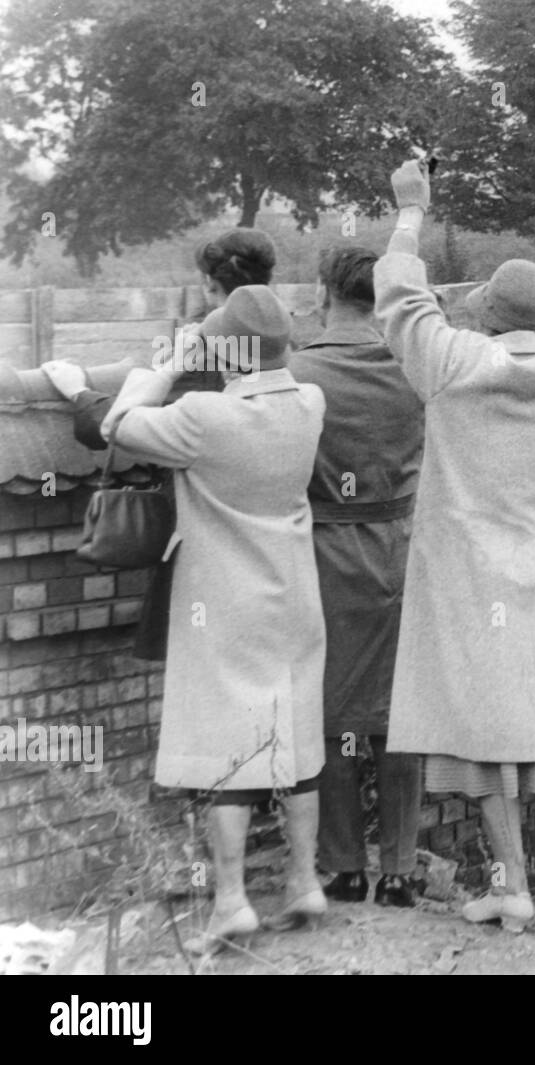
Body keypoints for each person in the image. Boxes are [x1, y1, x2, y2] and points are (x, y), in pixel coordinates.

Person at [372, 159, 535, 933]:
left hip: (476, 584)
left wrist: (411, 211)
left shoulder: (453, 363)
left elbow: (399, 296)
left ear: (484, 313)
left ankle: (510, 884)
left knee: (486, 736)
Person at [100, 285, 329, 954]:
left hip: (222, 602)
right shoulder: (309, 404)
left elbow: (118, 424)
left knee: (230, 747)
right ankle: (304, 878)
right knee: (294, 734)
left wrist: (171, 363)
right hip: (293, 590)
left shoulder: (201, 416)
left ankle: (230, 900)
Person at [40, 228, 278, 661]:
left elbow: (114, 427)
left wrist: (79, 392)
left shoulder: (197, 354)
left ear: (208, 283)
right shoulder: (284, 351)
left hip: (204, 545)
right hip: (278, 556)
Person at [289, 245, 425, 908]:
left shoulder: (298, 369)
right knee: (400, 716)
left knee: (332, 711)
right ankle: (399, 868)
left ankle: (342, 865)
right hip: (403, 547)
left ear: (324, 292)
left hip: (325, 549)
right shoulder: (413, 363)